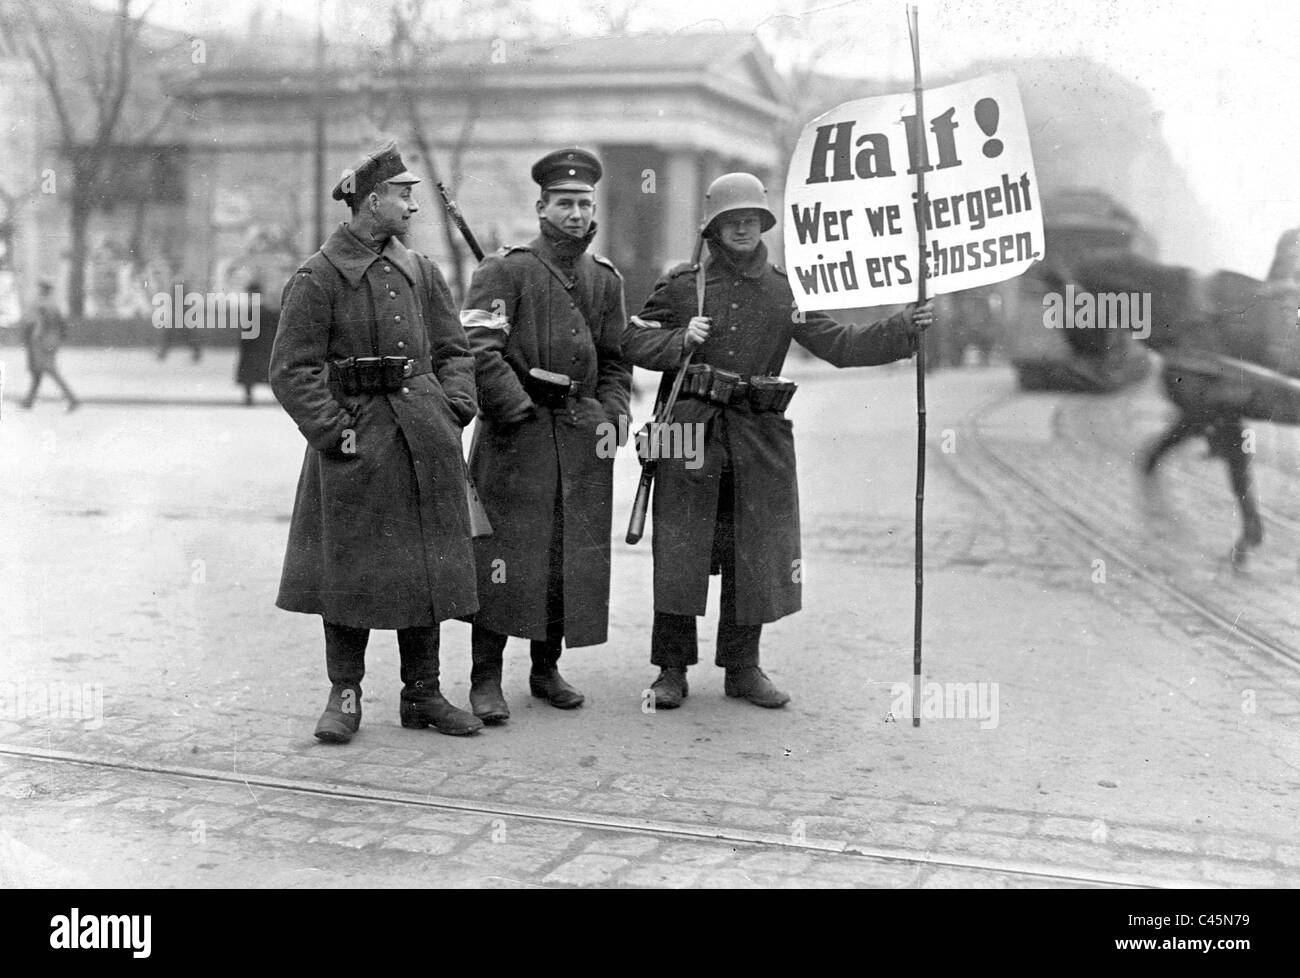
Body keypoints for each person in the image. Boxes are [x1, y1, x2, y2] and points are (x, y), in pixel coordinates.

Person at [624, 172, 933, 710]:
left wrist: (903, 326)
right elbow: (632, 339)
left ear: (762, 225)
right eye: (732, 221)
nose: (743, 229)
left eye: (751, 220)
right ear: (714, 228)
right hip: (689, 431)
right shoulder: (683, 286)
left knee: (755, 552)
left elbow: (838, 343)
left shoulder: (786, 289)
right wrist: (679, 339)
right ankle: (670, 669)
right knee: (681, 550)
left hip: (758, 435)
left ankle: (742, 668)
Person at [270, 139, 482, 743]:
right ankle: (345, 694)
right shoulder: (318, 277)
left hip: (425, 437)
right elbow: (293, 369)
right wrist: (335, 433)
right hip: (356, 446)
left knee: (427, 567)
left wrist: (454, 408)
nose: (412, 205)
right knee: (350, 570)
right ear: (369, 202)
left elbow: (453, 349)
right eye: (402, 194)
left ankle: (424, 693)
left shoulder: (421, 271)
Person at [459, 147, 632, 722]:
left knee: (565, 557)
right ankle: (486, 678)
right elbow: (478, 351)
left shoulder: (605, 280)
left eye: (585, 203)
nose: (577, 214)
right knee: (504, 559)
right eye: (565, 204)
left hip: (581, 441)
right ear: (541, 207)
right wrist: (517, 409)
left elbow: (616, 360)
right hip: (517, 440)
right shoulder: (505, 271)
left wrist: (612, 415)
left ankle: (545, 668)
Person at [19, 278, 79, 411]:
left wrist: (34, 339)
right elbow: (61, 326)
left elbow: (41, 325)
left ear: (44, 290)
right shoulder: (52, 304)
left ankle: (72, 399)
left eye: (41, 288)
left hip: (42, 343)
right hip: (50, 341)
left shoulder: (43, 305)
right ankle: (28, 401)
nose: (39, 290)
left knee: (49, 371)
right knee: (37, 373)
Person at [234, 279, 280, 405]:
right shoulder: (268, 308)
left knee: (249, 375)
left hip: (253, 347)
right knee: (268, 373)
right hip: (265, 346)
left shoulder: (252, 308)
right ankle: (279, 398)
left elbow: (246, 330)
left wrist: (243, 344)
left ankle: (248, 397)